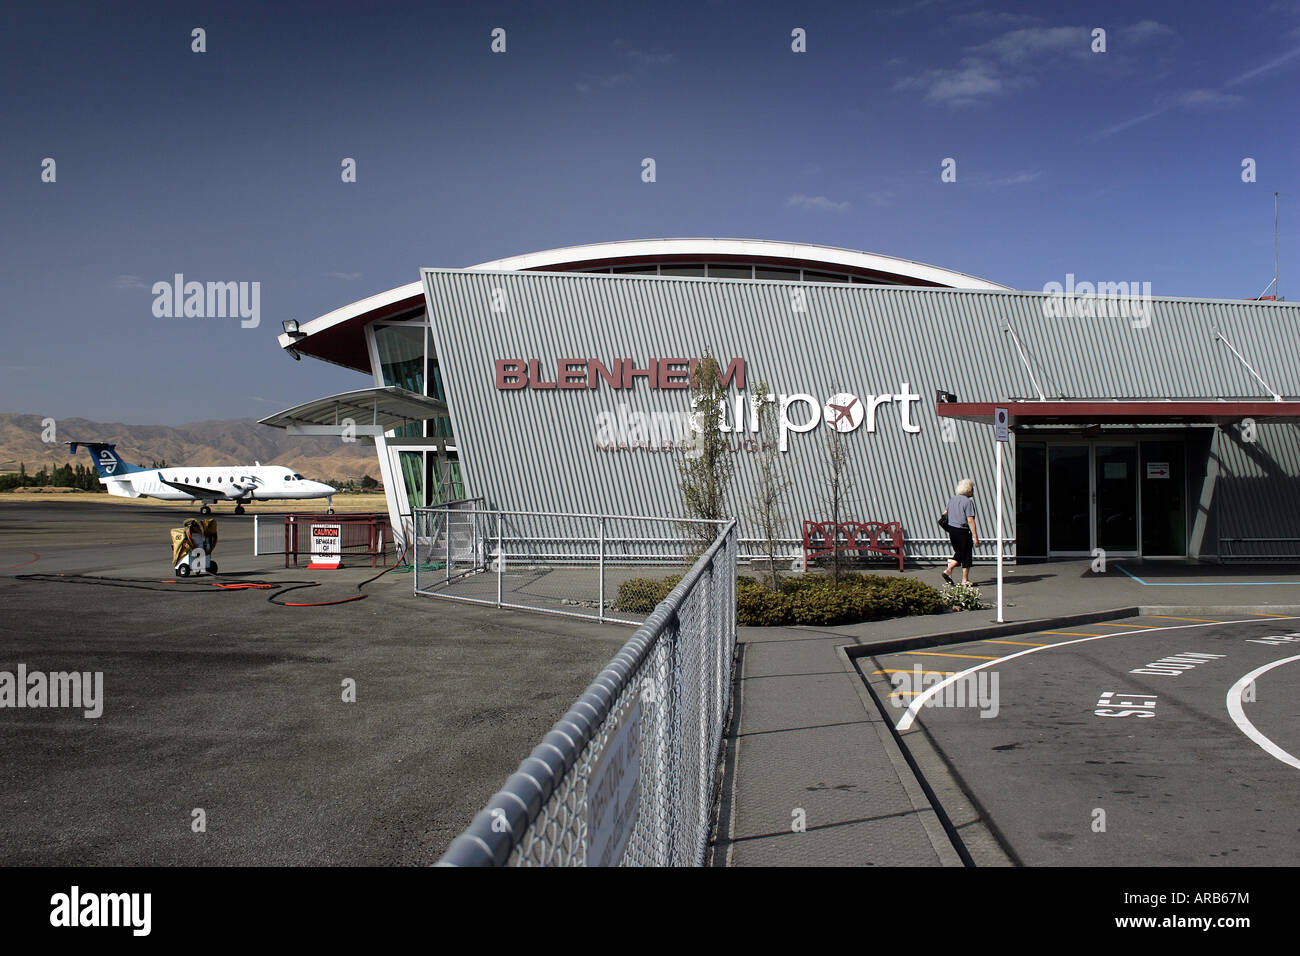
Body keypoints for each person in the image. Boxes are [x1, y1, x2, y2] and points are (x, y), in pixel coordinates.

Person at [942, 478, 979, 586]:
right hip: (963, 530)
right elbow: (970, 520)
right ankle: (952, 572)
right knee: (966, 554)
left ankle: (954, 573)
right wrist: (976, 537)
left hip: (952, 530)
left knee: (959, 552)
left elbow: (944, 514)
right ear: (969, 489)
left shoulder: (952, 499)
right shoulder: (968, 502)